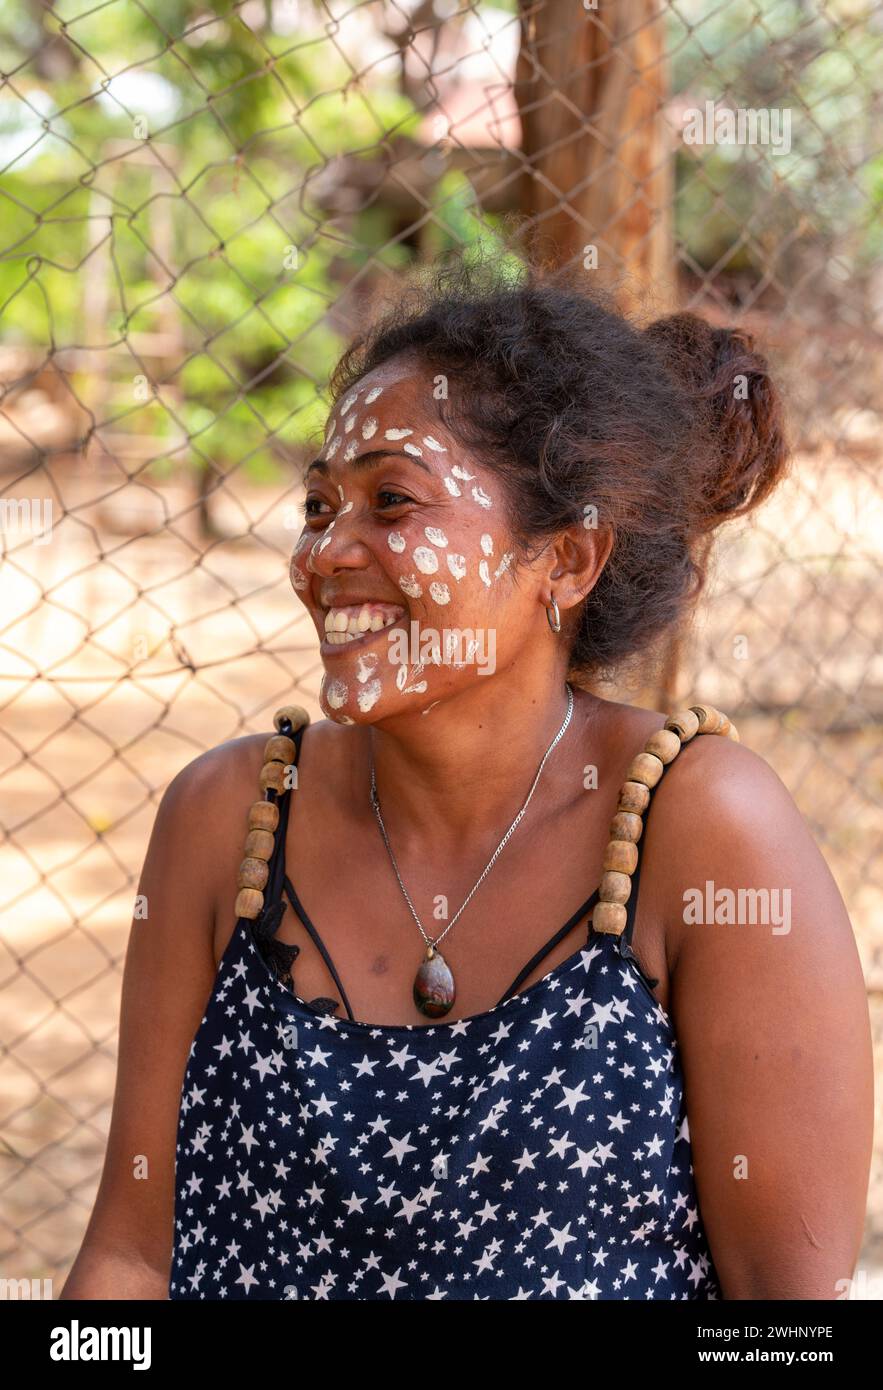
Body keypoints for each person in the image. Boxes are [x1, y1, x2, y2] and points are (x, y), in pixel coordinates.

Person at [62, 256, 873, 1301]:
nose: (323, 554)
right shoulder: (230, 820)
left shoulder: (699, 825)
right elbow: (132, 1258)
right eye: (318, 505)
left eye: (391, 503)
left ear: (568, 562)